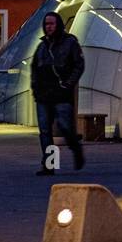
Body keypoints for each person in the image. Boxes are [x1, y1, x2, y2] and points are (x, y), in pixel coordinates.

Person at [32, 11, 85, 175]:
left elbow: (79, 65)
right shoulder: (41, 47)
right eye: (46, 24)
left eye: (52, 24)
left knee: (65, 127)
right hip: (44, 96)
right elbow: (35, 69)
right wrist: (36, 89)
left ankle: (76, 149)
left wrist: (69, 84)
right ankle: (49, 165)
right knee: (45, 131)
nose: (49, 27)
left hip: (62, 94)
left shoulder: (70, 43)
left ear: (59, 24)